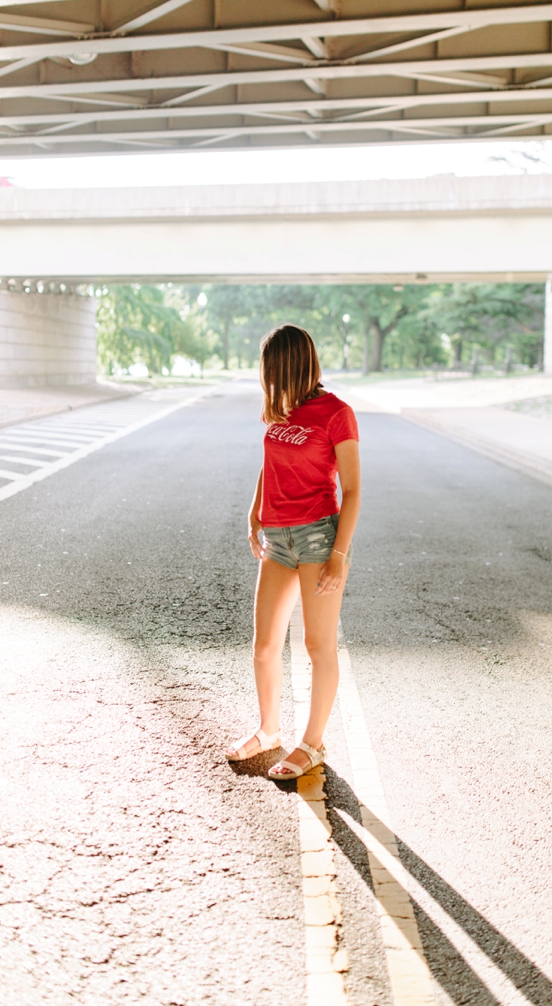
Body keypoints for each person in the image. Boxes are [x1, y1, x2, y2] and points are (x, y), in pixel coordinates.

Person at [224, 324, 359, 781]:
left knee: (317, 645)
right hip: (278, 538)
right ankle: (268, 732)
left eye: (269, 368)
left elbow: (354, 489)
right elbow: (271, 463)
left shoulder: (335, 412)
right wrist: (254, 510)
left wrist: (340, 553)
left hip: (318, 537)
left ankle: (313, 743)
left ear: (287, 364)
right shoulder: (280, 410)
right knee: (264, 646)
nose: (265, 377)